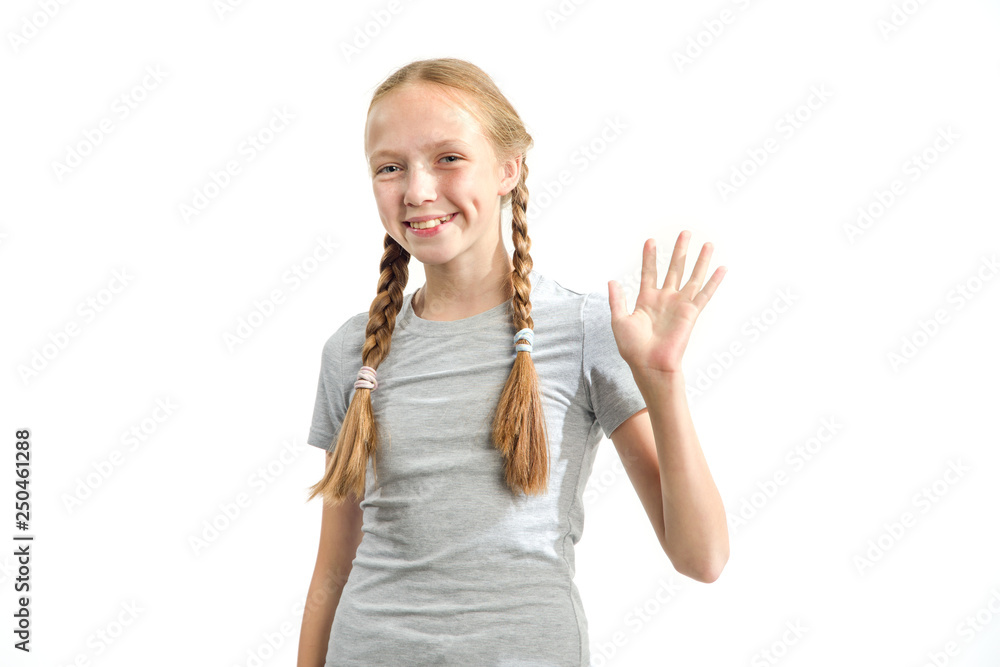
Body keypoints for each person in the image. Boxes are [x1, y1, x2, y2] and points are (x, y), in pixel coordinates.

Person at [296, 57, 729, 667]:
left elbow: (701, 557)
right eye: (390, 168)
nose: (418, 190)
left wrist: (662, 383)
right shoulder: (352, 351)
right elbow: (332, 572)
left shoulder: (585, 331)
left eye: (449, 158)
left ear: (508, 168)